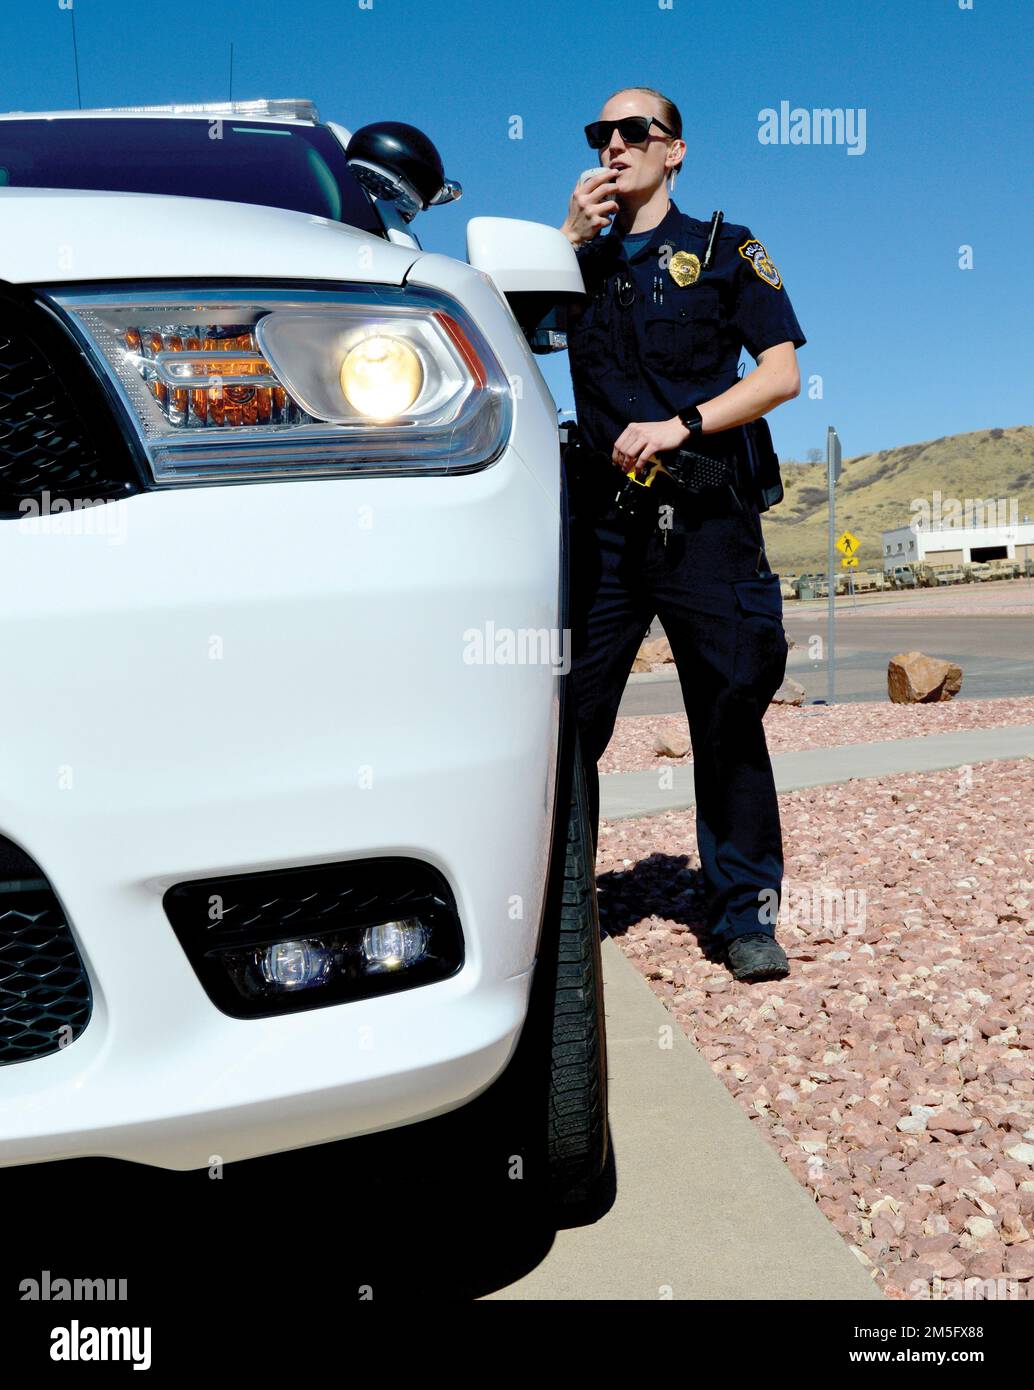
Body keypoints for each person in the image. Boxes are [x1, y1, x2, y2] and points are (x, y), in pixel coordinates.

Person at [558, 86, 806, 983]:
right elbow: (507, 341)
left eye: (635, 132)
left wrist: (685, 424)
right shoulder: (571, 262)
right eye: (601, 133)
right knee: (568, 721)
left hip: (704, 520)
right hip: (606, 530)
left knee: (729, 714)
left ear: (676, 151)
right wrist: (565, 241)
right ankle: (552, 907)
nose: (614, 145)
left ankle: (745, 912)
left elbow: (780, 376)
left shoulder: (723, 249)